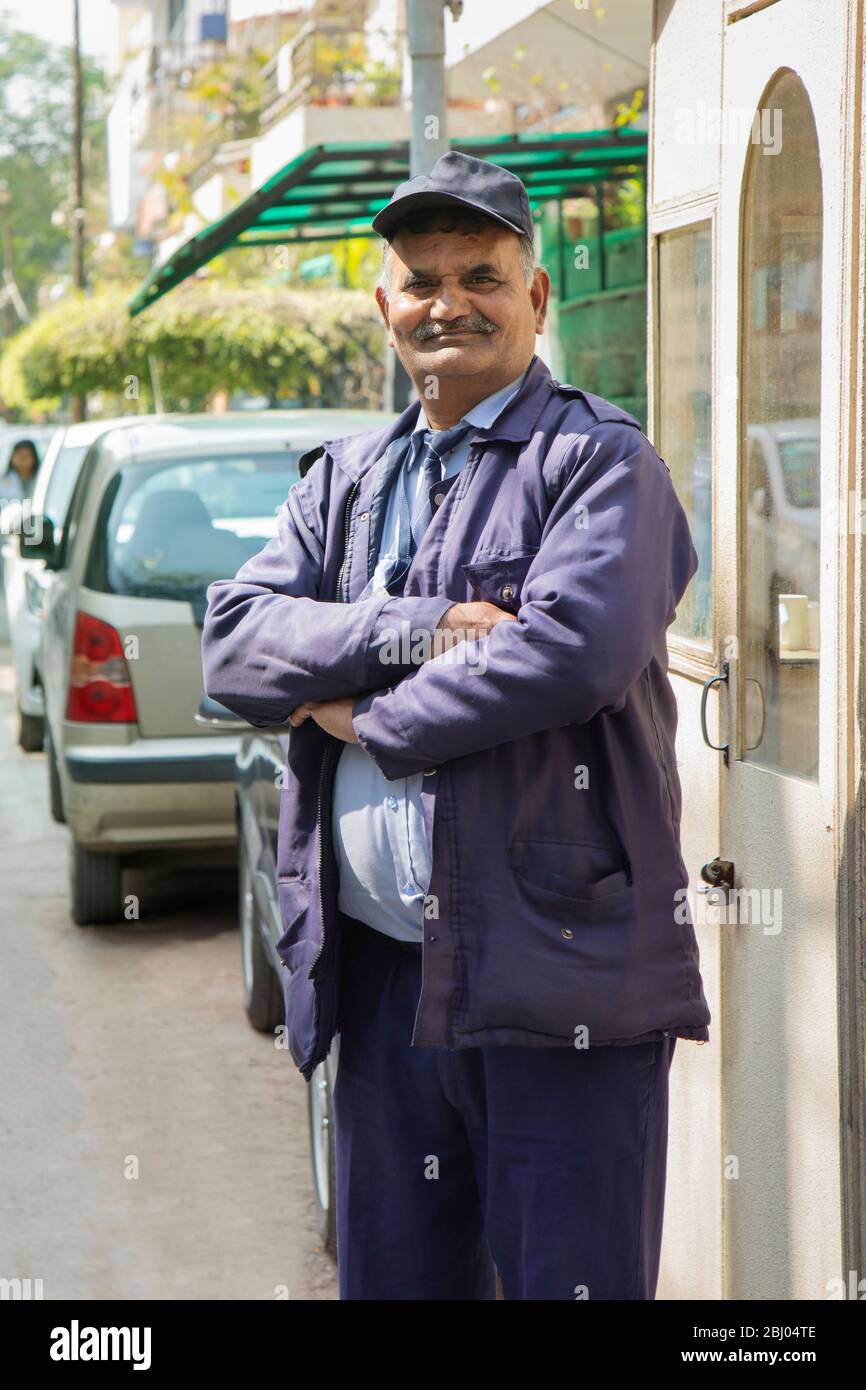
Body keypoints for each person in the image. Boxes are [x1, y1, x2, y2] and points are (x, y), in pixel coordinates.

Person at [202, 150, 711, 1301]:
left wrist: (361, 719)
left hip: (557, 981)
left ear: (534, 298)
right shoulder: (345, 477)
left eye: (479, 274)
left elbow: (565, 654)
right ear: (384, 306)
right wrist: (414, 624)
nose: (448, 302)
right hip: (384, 984)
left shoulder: (600, 464)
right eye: (421, 279)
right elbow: (233, 640)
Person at [0, 438, 40, 502]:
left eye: (26, 456)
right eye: (19, 455)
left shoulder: (40, 479)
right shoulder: (3, 481)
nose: (22, 460)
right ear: (12, 457)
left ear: (33, 459)